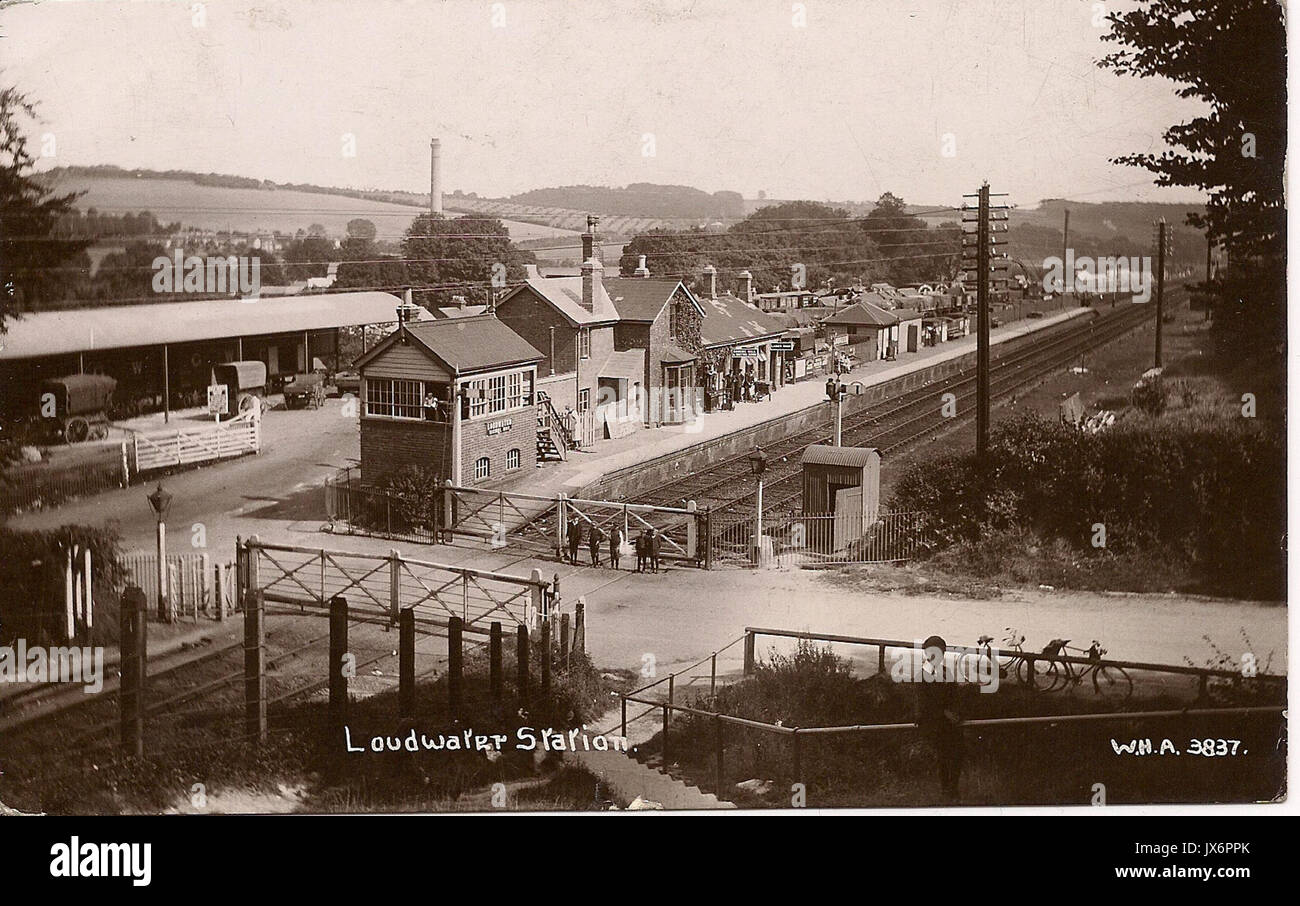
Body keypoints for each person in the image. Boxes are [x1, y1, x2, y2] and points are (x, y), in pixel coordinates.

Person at [915, 635, 965, 800]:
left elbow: (955, 696)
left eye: (940, 653)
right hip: (934, 722)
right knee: (943, 753)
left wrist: (955, 712)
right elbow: (924, 705)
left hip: (949, 722)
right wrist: (945, 713)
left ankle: (953, 787)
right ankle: (946, 788)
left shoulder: (946, 672)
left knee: (958, 751)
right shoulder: (921, 676)